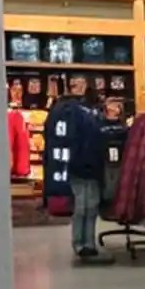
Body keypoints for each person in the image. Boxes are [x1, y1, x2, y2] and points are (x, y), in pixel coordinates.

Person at [44, 85, 107, 259]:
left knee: (87, 206)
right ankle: (82, 243)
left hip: (83, 167)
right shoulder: (82, 116)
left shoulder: (83, 115)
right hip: (83, 167)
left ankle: (85, 243)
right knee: (85, 206)